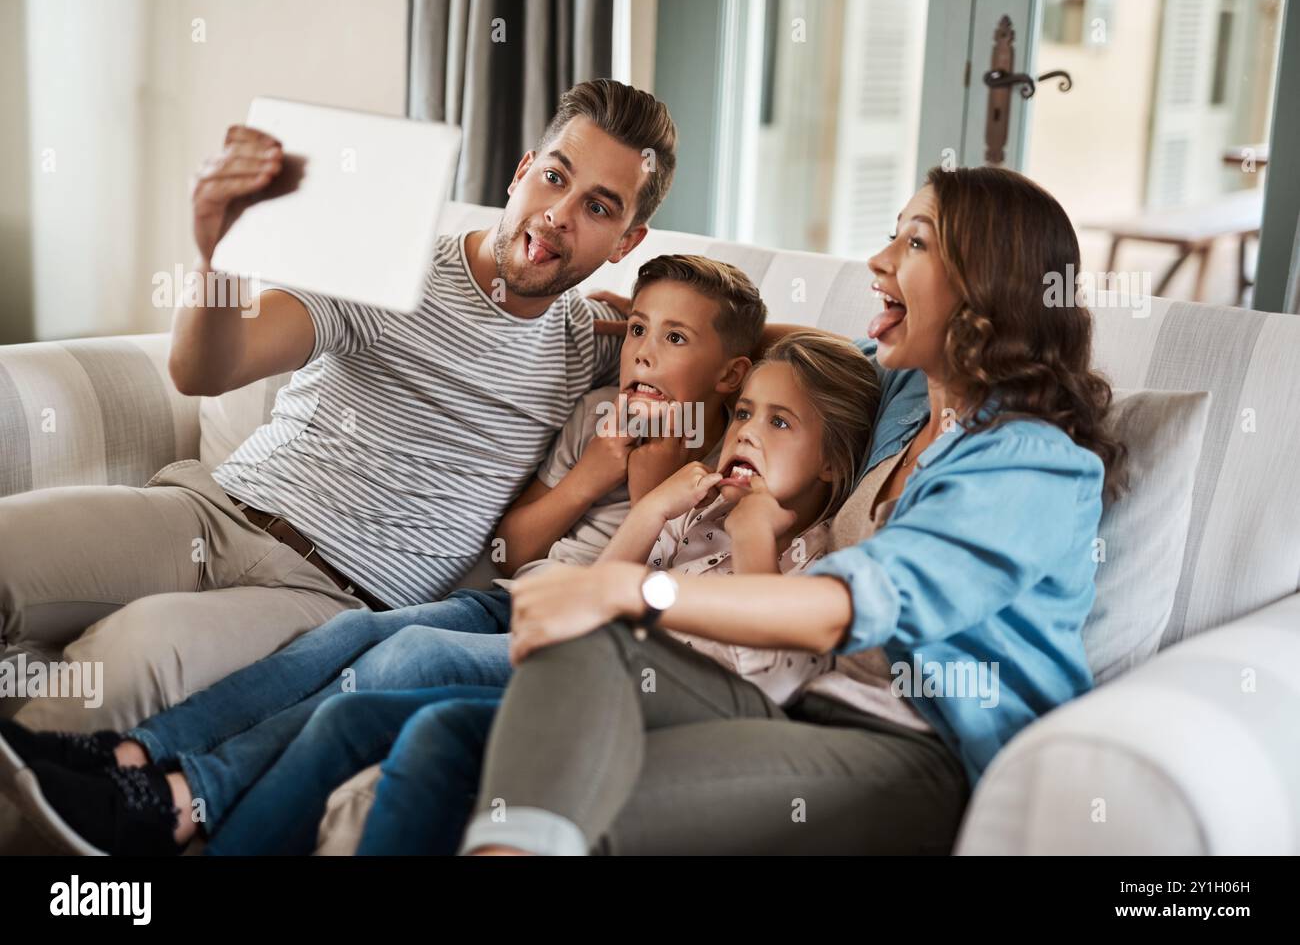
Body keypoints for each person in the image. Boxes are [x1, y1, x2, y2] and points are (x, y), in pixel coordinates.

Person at [453, 165, 1128, 856]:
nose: (879, 259)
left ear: (987, 287)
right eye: (892, 236)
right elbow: (809, 354)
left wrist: (632, 586)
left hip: (921, 752)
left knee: (597, 810)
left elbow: (849, 603)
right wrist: (671, 326)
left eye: (916, 244)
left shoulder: (1031, 464)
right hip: (804, 708)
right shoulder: (906, 407)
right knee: (561, 663)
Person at [0, 254, 767, 856]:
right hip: (510, 596)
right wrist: (588, 478)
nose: (643, 353)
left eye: (675, 339)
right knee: (342, 639)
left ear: (732, 373)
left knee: (406, 656)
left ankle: (183, 799)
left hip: (572, 633)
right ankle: (133, 758)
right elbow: (510, 547)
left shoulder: (731, 463)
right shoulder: (597, 412)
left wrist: (643, 481)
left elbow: (622, 598)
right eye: (640, 330)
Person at [0, 79, 676, 734]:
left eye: (599, 207)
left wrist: (664, 313)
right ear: (522, 172)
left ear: (625, 242)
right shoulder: (391, 272)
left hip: (325, 597)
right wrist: (221, 253)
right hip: (207, 510)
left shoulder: (594, 344)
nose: (560, 214)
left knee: (130, 659)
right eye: (555, 178)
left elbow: (761, 344)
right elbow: (205, 367)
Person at [187, 331, 882, 856]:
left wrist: (758, 531)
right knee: (349, 718)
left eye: (779, 423)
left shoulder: (819, 563)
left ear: (831, 461)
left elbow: (771, 685)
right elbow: (592, 604)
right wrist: (650, 514)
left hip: (655, 721)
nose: (748, 434)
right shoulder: (699, 520)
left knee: (422, 691)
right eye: (744, 415)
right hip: (580, 681)